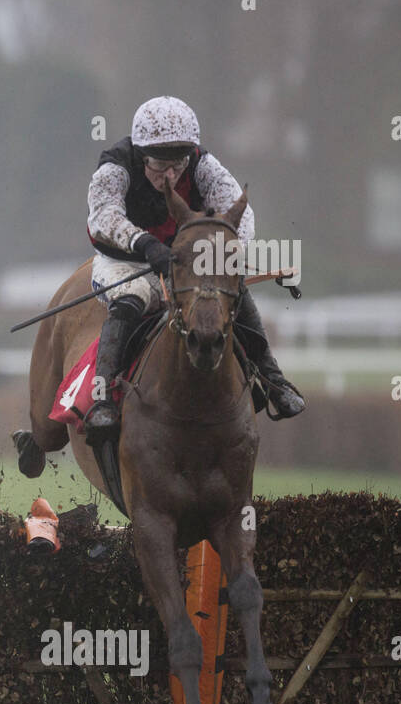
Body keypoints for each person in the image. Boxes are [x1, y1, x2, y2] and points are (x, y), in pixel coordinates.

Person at [82, 96, 305, 444]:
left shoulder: (202, 165)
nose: (170, 175)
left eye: (178, 164)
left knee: (233, 292)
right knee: (131, 297)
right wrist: (145, 244)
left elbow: (240, 212)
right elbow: (103, 217)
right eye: (159, 165)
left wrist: (227, 251)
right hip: (123, 259)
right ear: (141, 155)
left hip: (183, 259)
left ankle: (272, 379)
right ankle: (103, 400)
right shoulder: (115, 166)